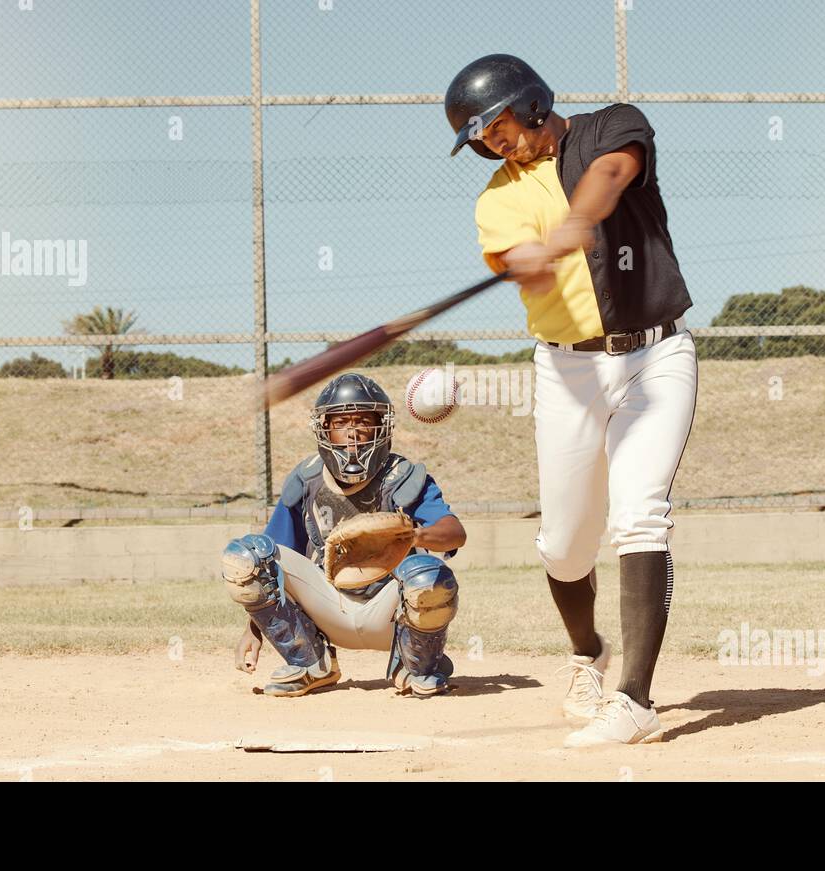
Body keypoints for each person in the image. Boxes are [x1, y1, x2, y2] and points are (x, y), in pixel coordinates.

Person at [446, 54, 698, 745]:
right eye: (482, 140)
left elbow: (613, 175)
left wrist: (574, 221)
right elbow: (521, 269)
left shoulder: (612, 126)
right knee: (562, 545)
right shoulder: (496, 199)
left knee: (640, 512)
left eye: (497, 127)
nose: (494, 144)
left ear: (529, 103)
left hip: (655, 356)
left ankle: (636, 701)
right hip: (566, 374)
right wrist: (523, 263)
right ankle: (588, 652)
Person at [220, 372, 467, 698]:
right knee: (247, 555)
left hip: (391, 613)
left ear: (383, 426)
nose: (353, 432)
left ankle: (415, 665)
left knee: (429, 575)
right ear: (325, 429)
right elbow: (270, 564)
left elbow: (455, 534)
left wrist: (414, 536)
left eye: (364, 420)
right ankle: (309, 663)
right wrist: (255, 628)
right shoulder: (307, 479)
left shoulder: (402, 477)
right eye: (341, 422)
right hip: (328, 606)